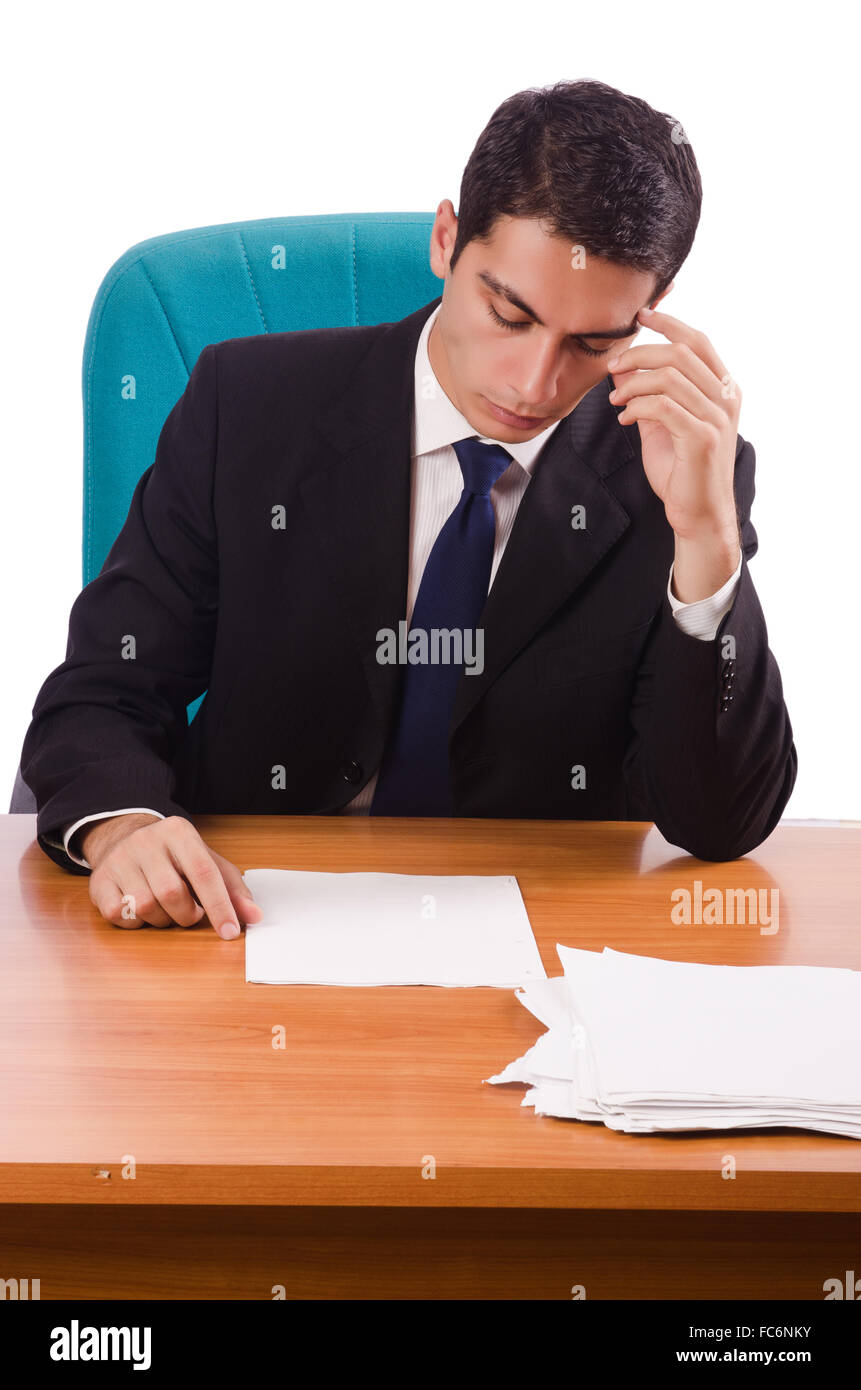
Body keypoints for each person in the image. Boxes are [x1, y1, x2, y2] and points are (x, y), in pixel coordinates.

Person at [20, 78, 797, 939]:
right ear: (445, 240)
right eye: (509, 313)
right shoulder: (244, 405)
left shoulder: (670, 472)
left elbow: (720, 824)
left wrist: (705, 539)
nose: (531, 385)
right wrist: (126, 825)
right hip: (244, 920)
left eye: (593, 343)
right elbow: (104, 692)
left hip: (539, 943)